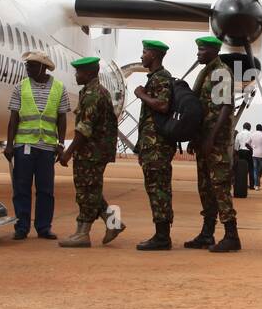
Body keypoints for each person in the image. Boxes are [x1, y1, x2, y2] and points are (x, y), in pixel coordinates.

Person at [57, 56, 122, 248]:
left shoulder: (93, 94)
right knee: (92, 190)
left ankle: (82, 233)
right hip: (93, 151)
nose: (76, 75)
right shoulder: (90, 91)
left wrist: (68, 152)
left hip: (92, 153)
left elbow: (84, 129)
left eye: (79, 72)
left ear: (89, 73)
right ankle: (114, 224)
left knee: (86, 192)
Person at [4, 50, 69, 240]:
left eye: (31, 65)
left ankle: (43, 227)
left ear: (43, 67)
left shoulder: (59, 88)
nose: (27, 68)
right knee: (21, 188)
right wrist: (9, 145)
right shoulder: (19, 87)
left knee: (46, 190)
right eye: (27, 65)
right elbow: (13, 118)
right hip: (24, 145)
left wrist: (61, 143)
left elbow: (62, 118)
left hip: (47, 148)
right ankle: (22, 227)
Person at [184, 36, 239, 252]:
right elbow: (200, 109)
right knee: (205, 188)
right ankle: (207, 234)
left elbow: (226, 107)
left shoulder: (221, 72)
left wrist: (211, 138)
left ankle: (232, 236)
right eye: (198, 49)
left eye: (202, 49)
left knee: (220, 187)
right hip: (203, 141)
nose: (198, 53)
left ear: (214, 51)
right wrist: (194, 137)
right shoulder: (206, 72)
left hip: (215, 143)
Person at [131, 40, 176, 251]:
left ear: (154, 55)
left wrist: (141, 95)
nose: (141, 56)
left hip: (158, 145)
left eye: (144, 52)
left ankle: (162, 237)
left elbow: (163, 105)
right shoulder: (155, 78)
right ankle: (161, 234)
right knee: (155, 188)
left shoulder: (161, 78)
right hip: (151, 145)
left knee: (159, 189)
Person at [248, 124, 262, 189]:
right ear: (261, 129)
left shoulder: (252, 135)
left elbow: (247, 144)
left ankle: (257, 186)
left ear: (256, 128)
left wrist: (252, 149)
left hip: (254, 155)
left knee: (255, 170)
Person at [236, 123, 255, 189]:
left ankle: (242, 184)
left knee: (241, 169)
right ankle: (252, 185)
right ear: (249, 127)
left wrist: (237, 152)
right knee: (251, 168)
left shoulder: (239, 134)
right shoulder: (251, 134)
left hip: (241, 151)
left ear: (243, 127)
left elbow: (236, 145)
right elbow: (252, 144)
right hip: (249, 151)